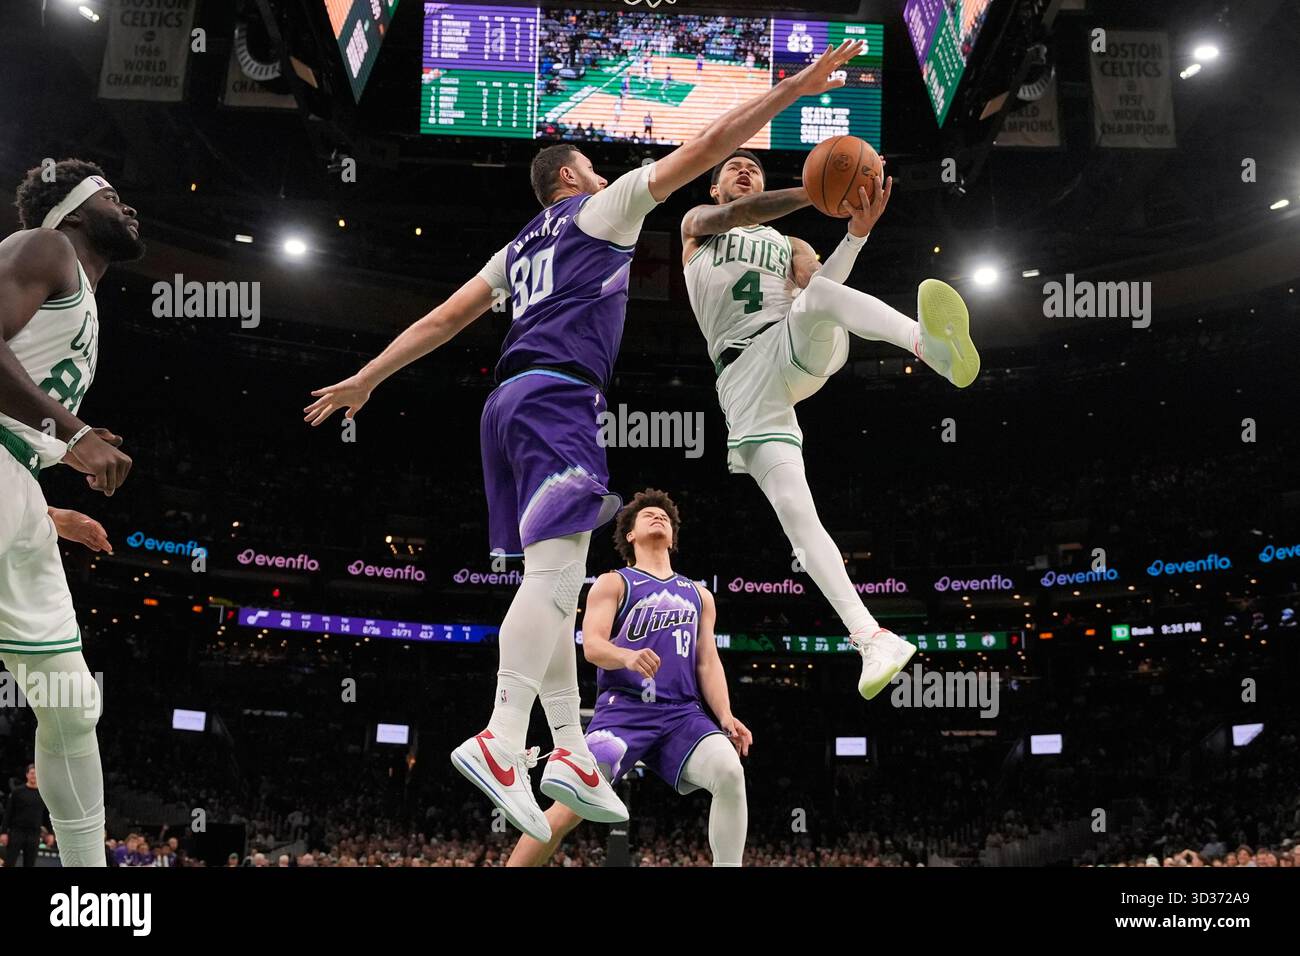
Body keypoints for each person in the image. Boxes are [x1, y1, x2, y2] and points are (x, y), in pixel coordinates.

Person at [304, 41, 866, 843]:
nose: (607, 175)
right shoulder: (599, 212)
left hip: (504, 404)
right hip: (560, 402)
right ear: (570, 178)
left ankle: (567, 748)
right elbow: (706, 148)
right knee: (556, 580)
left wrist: (369, 378)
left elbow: (445, 319)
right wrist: (792, 90)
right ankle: (503, 738)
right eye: (595, 167)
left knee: (557, 584)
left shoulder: (518, 246)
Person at [680, 149, 981, 698]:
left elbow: (829, 289)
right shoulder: (697, 226)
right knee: (798, 517)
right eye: (732, 168)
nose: (744, 170)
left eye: (753, 167)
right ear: (716, 189)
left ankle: (927, 344)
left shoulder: (790, 245)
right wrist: (813, 193)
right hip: (743, 382)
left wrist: (857, 235)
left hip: (794, 344)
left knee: (817, 293)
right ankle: (872, 638)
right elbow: (732, 217)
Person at [0, 159, 142, 866]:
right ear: (78, 210)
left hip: (17, 493)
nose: (132, 209)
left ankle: (88, 891)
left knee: (71, 701)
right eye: (115, 197)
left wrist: (52, 508)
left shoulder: (84, 295)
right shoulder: (44, 246)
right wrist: (75, 435)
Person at [508, 490, 751, 867]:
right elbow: (591, 645)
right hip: (623, 713)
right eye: (648, 516)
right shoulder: (613, 583)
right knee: (567, 807)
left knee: (730, 773)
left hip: (681, 715)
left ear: (673, 536)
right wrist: (627, 655)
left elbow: (707, 662)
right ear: (630, 535)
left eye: (665, 518)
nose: (659, 518)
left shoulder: (700, 596)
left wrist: (725, 715)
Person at [2, 764, 46, 867]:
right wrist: (3, 832)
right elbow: (8, 813)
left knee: (30, 863)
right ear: (27, 775)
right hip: (17, 832)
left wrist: (50, 833)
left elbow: (46, 815)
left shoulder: (43, 794)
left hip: (34, 833)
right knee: (9, 862)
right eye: (32, 773)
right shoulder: (17, 792)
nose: (34, 776)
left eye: (36, 774)